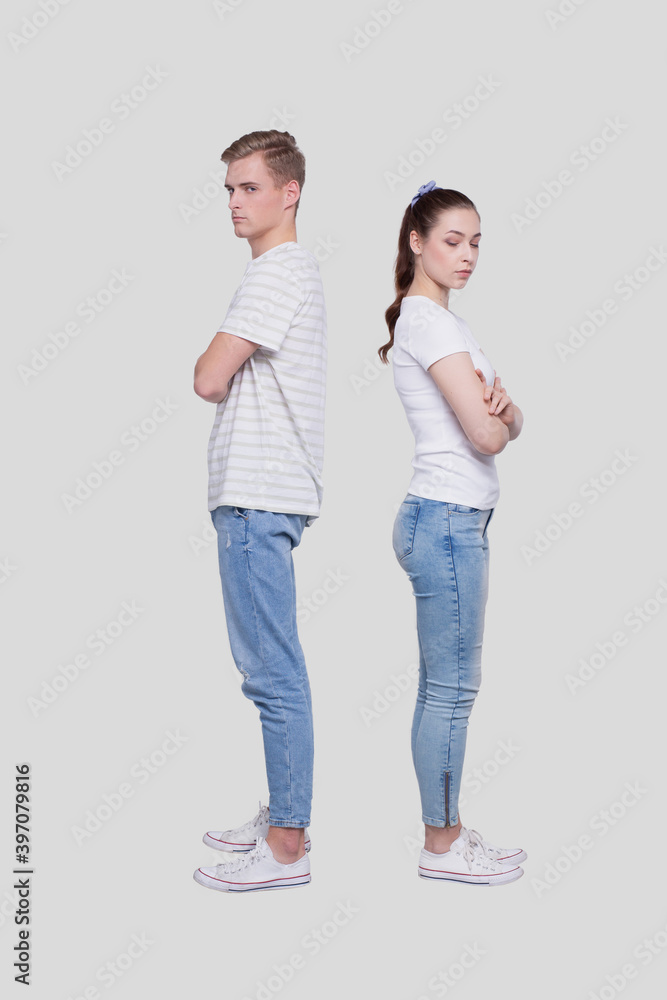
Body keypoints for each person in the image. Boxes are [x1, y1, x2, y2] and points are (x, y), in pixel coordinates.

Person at [380, 181, 526, 886]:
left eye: (475, 243)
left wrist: (504, 411)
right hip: (445, 521)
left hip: (448, 519)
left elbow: (511, 418)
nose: (467, 255)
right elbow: (487, 435)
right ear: (417, 242)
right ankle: (442, 844)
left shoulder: (443, 322)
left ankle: (444, 835)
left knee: (443, 687)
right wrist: (499, 418)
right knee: (451, 691)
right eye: (452, 241)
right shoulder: (430, 324)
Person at [192, 130, 326, 893]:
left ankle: (285, 846)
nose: (235, 203)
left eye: (249, 188)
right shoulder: (283, 272)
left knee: (272, 672)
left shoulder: (277, 272)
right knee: (274, 667)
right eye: (229, 190)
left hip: (256, 497)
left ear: (289, 192)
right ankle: (284, 812)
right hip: (264, 496)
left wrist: (206, 356)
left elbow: (209, 377)